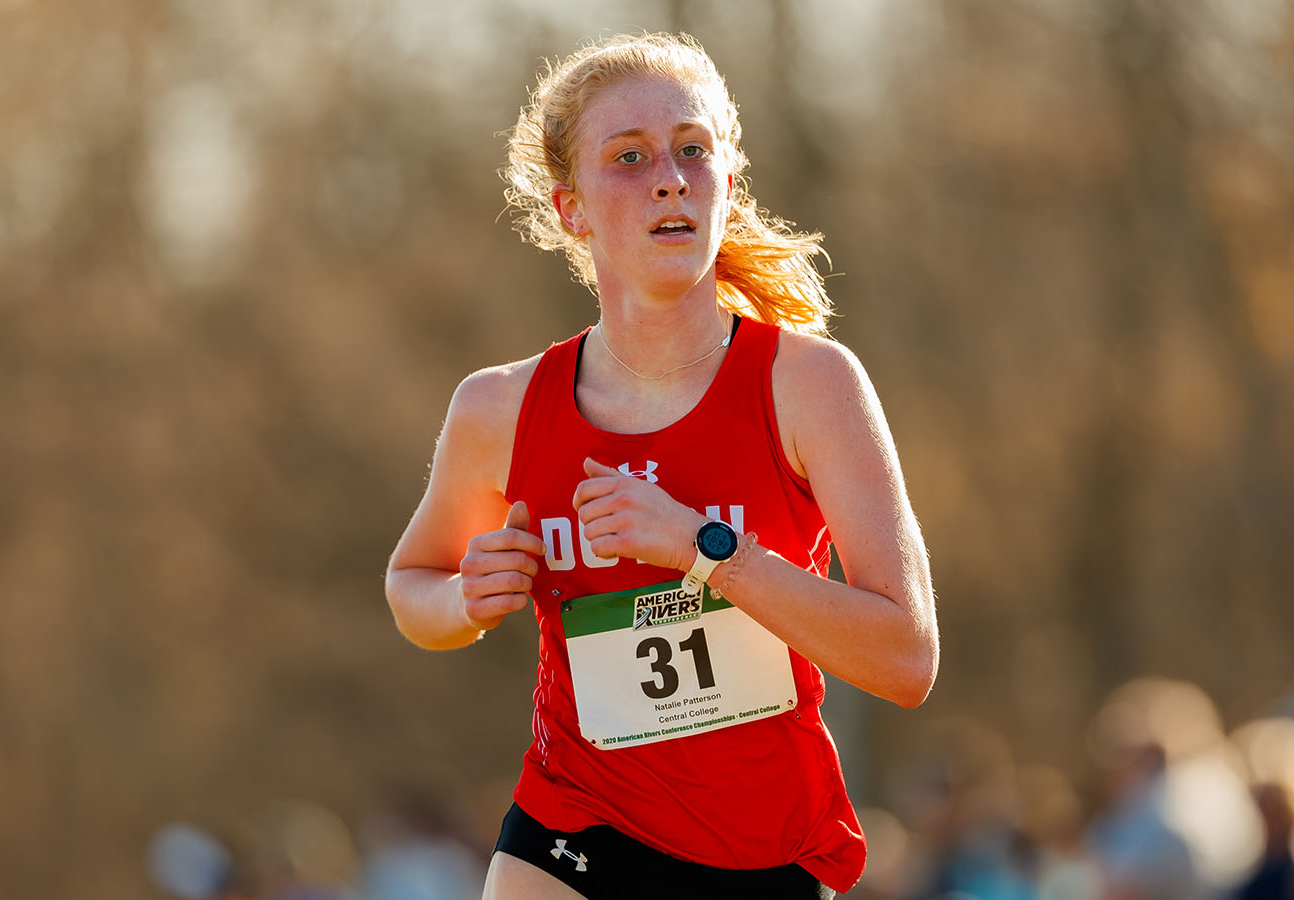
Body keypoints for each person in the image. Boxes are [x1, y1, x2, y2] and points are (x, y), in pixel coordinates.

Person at [384, 32, 938, 899]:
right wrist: (461, 599)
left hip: (763, 850)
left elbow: (906, 658)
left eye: (691, 150)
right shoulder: (499, 409)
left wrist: (705, 547)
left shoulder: (810, 385)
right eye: (629, 158)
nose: (669, 178)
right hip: (573, 821)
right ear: (571, 209)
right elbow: (412, 583)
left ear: (726, 177)